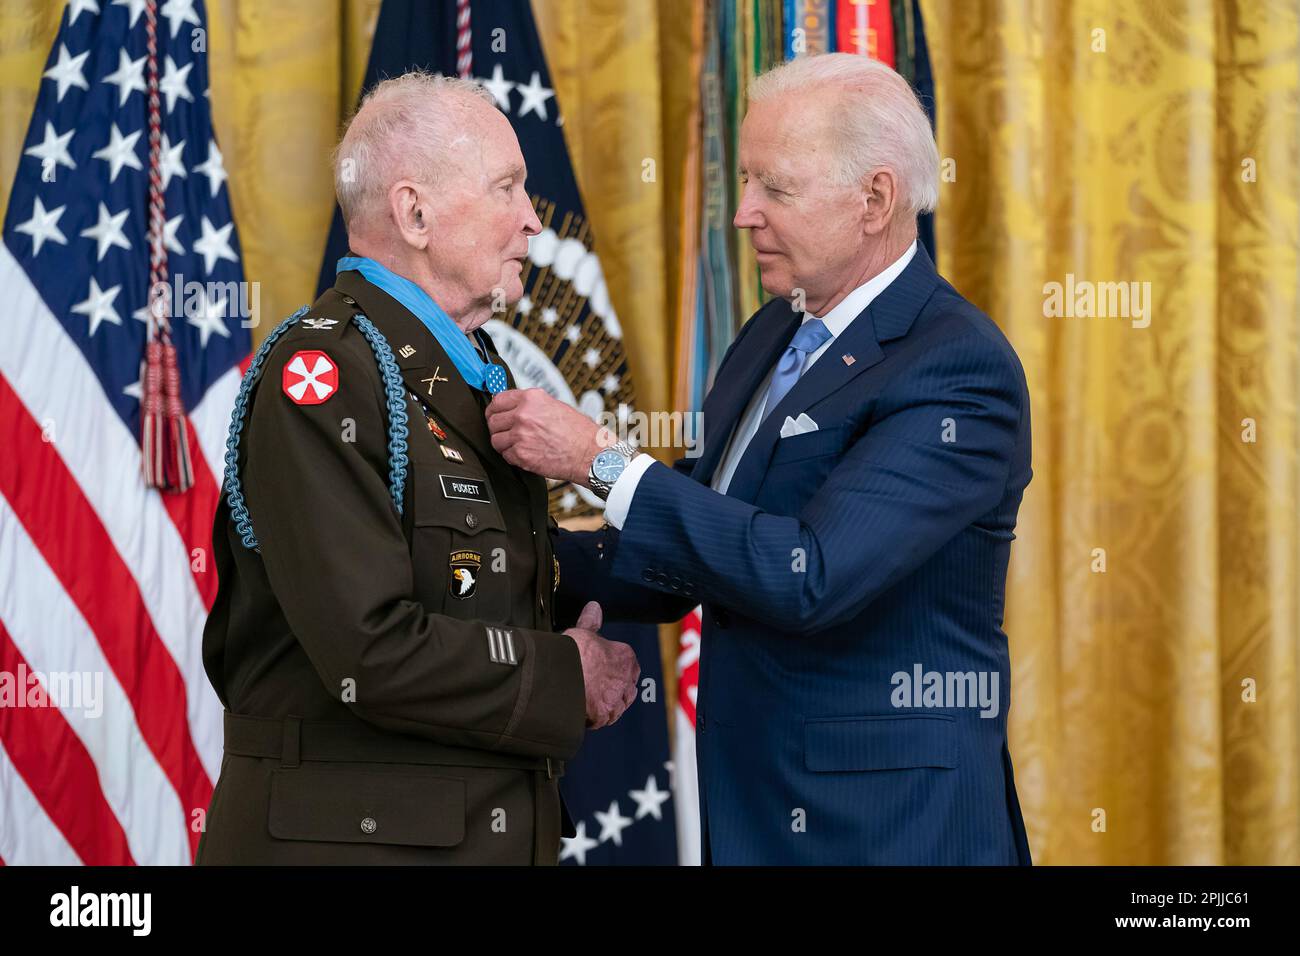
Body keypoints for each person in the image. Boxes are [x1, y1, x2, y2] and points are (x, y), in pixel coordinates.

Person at [487, 53, 1034, 865]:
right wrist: (504, 558)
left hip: (888, 831)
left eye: (774, 189)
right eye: (745, 182)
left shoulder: (956, 369)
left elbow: (807, 575)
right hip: (755, 812)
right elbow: (695, 552)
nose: (742, 215)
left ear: (875, 199)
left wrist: (599, 461)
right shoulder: (771, 332)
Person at [197, 71, 639, 865]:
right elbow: (370, 652)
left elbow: (486, 576)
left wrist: (696, 556)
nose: (533, 222)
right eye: (507, 187)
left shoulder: (464, 363)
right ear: (415, 212)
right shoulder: (323, 373)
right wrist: (566, 674)